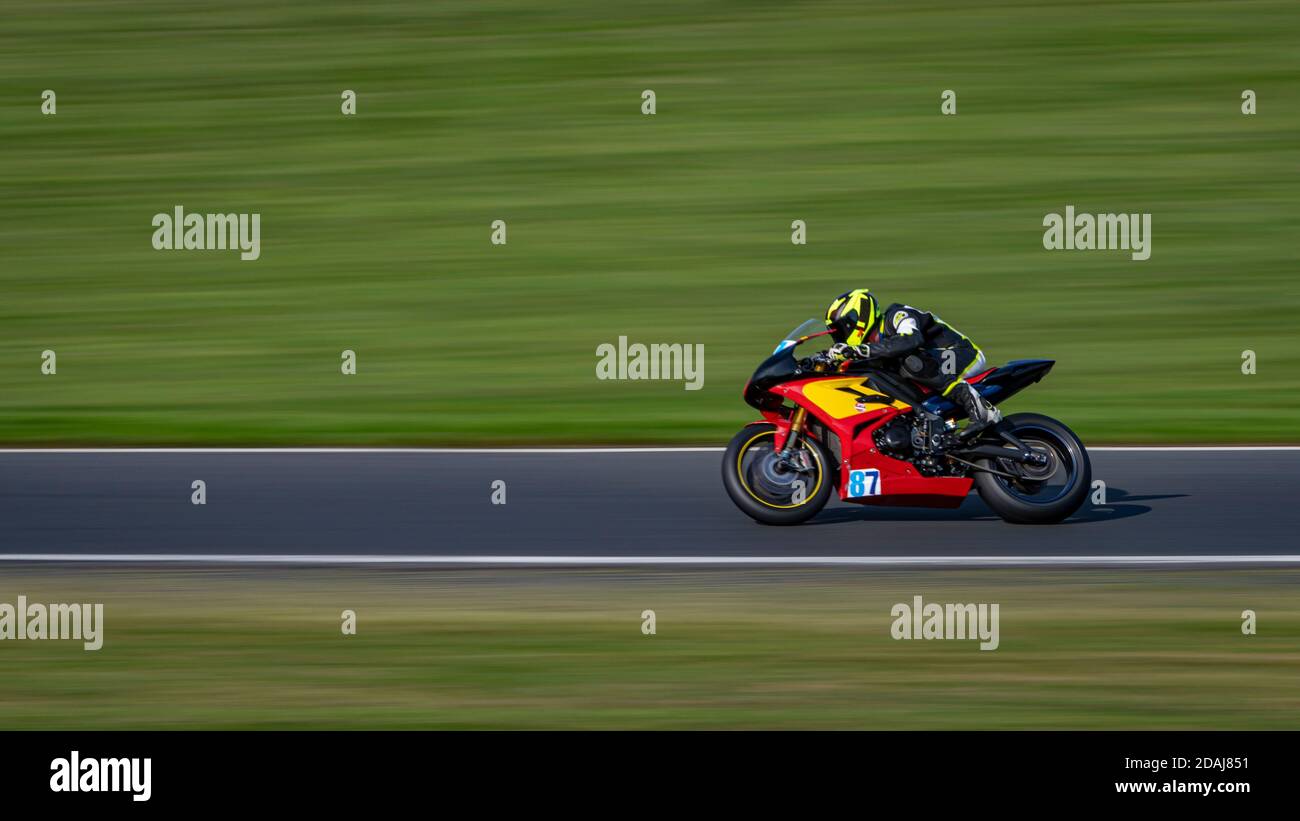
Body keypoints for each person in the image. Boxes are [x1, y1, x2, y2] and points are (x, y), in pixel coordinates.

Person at [823, 288, 1001, 431]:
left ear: (858, 317)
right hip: (935, 363)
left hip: (958, 353)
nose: (841, 336)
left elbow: (910, 340)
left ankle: (982, 410)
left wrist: (859, 351)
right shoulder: (872, 346)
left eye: (842, 329)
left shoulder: (897, 315)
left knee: (911, 362)